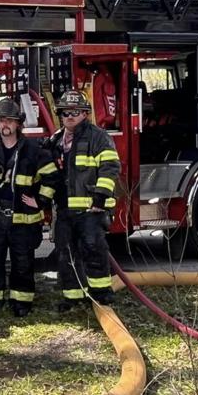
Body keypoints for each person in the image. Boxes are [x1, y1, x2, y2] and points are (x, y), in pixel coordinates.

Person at [0, 97, 58, 316]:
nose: (5, 125)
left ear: (18, 123)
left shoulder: (33, 150)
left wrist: (39, 201)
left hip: (23, 219)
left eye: (10, 121)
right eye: (1, 120)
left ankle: (21, 304)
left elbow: (52, 178)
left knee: (23, 262)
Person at [47, 89, 120, 307]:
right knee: (67, 253)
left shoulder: (98, 137)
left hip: (91, 209)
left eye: (75, 111)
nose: (70, 116)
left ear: (84, 114)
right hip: (65, 210)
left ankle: (101, 295)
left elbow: (110, 167)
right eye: (65, 112)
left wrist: (100, 198)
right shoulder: (55, 141)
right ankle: (73, 298)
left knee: (93, 250)